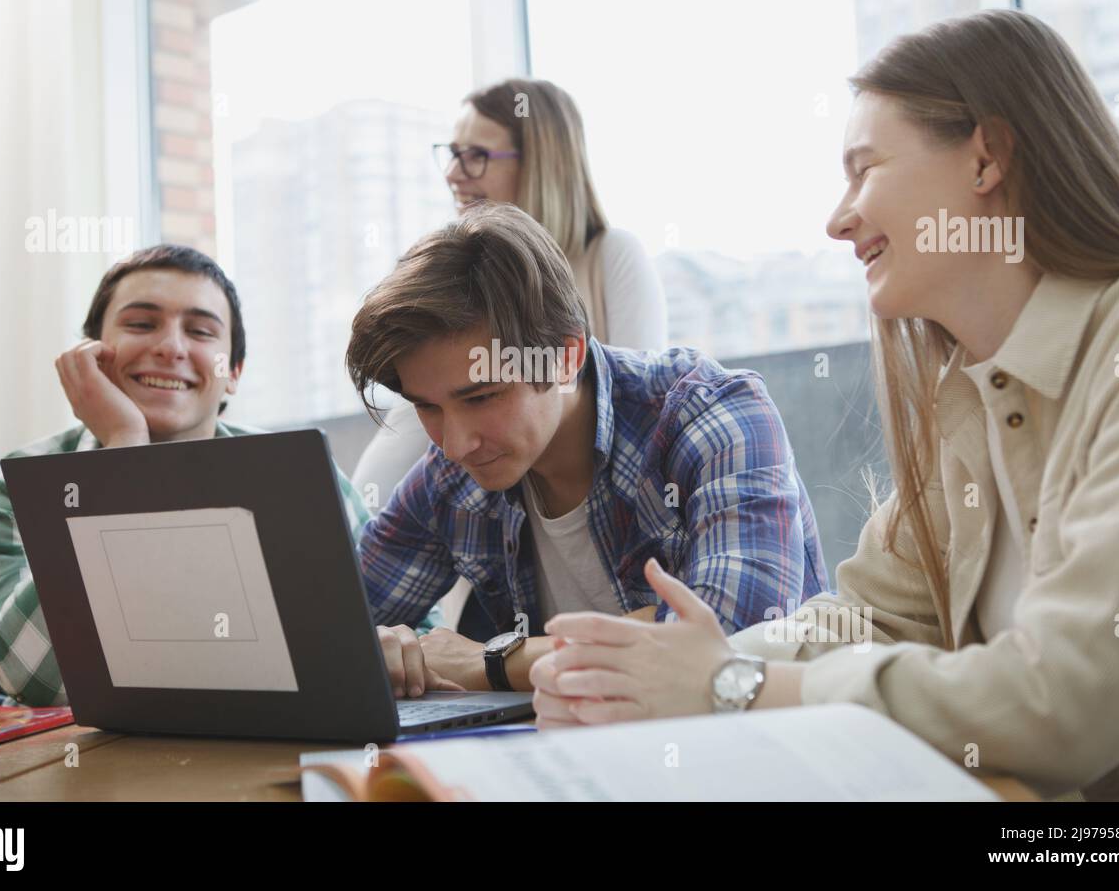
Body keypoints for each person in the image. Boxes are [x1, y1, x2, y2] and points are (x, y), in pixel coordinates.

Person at [530, 9, 1119, 801]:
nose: (839, 221)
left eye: (864, 169)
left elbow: (1068, 703)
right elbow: (867, 619)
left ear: (987, 158)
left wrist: (736, 685)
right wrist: (651, 670)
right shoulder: (969, 392)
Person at [346, 203, 826, 698]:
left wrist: (492, 659)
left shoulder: (711, 415)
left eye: (482, 396)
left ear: (566, 357)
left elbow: (730, 644)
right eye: (427, 407)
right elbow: (335, 634)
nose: (454, 444)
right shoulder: (451, 477)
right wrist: (389, 648)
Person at [0, 245, 423, 706]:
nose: (170, 347)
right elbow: (30, 678)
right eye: (141, 324)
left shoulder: (300, 476)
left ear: (234, 373)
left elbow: (415, 634)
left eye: (200, 331)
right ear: (92, 356)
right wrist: (123, 452)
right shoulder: (4, 491)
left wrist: (387, 649)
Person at [353, 80, 668, 603]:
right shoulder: (453, 448)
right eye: (452, 155)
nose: (455, 173)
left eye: (476, 156)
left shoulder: (613, 261)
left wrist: (486, 662)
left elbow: (636, 400)